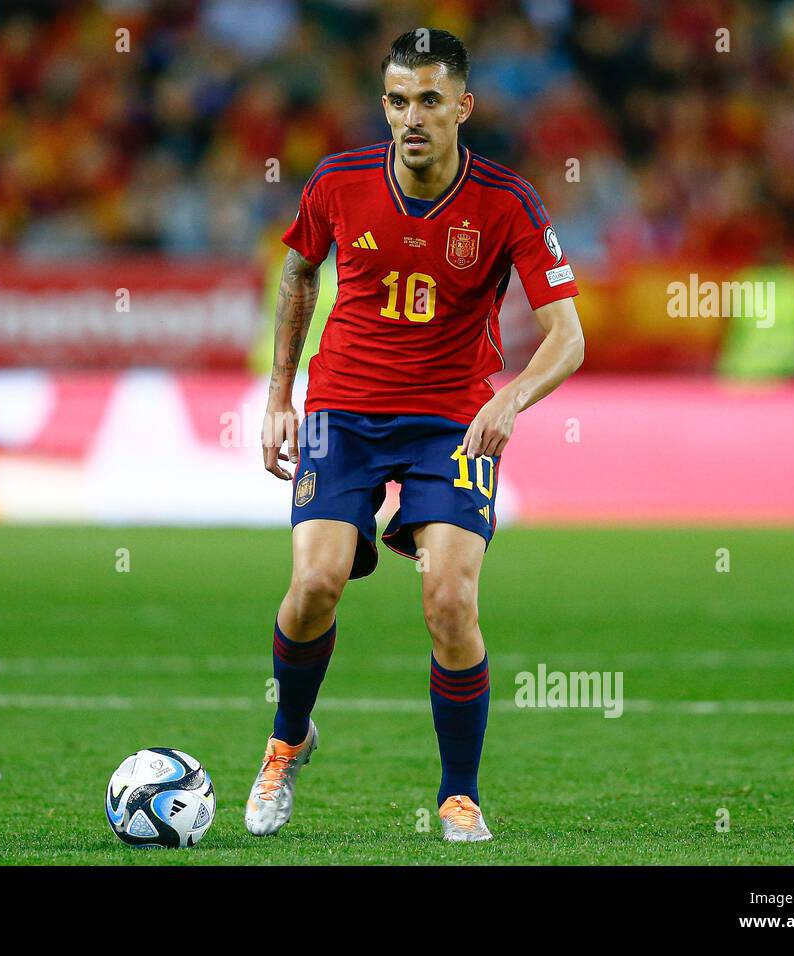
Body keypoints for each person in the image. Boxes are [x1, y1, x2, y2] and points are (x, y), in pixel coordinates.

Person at [248, 29, 585, 842]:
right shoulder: (339, 181)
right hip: (344, 412)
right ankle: (287, 740)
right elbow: (299, 270)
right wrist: (278, 395)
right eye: (398, 100)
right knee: (315, 585)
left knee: (450, 597)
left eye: (430, 100)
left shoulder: (508, 202)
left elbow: (568, 336)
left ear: (463, 107)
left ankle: (458, 796)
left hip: (453, 421)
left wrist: (513, 400)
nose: (411, 117)